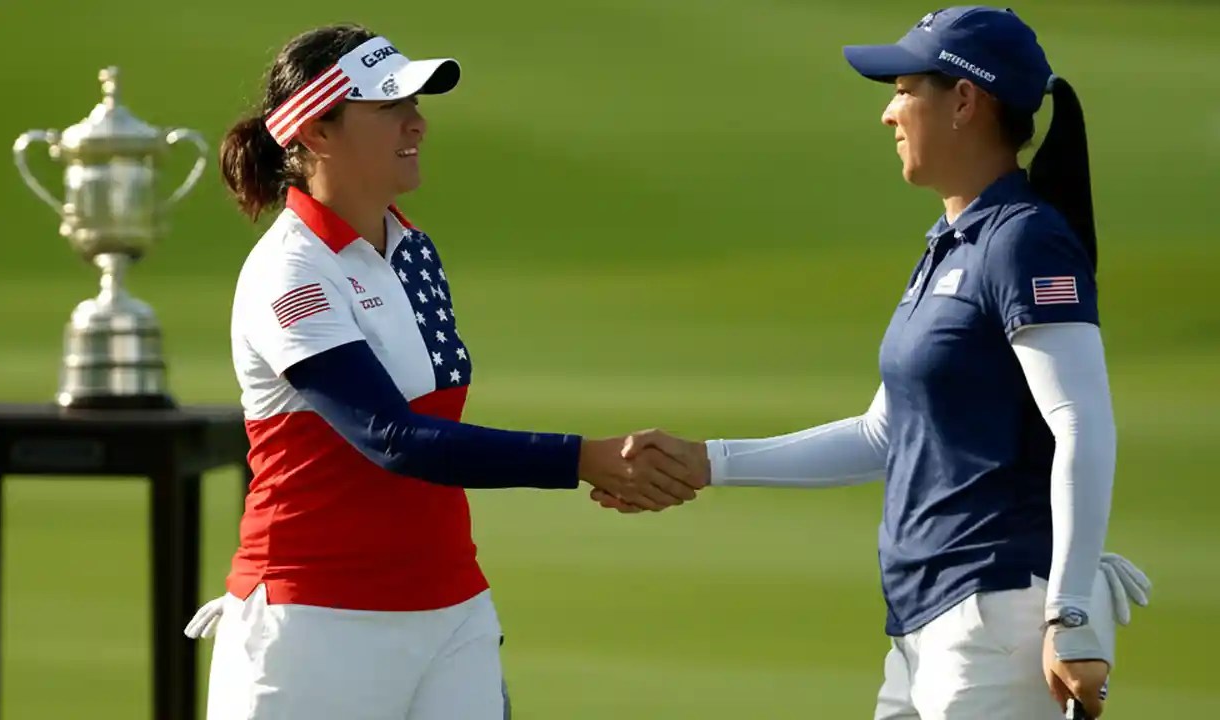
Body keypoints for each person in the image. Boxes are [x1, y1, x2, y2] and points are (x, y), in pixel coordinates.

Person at [593, 6, 1152, 719]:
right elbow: (885, 435)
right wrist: (710, 461)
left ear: (963, 101)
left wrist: (1069, 612)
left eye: (904, 89)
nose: (888, 114)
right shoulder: (952, 243)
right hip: (924, 629)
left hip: (997, 617)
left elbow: (1082, 423)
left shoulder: (1025, 241)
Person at [186, 23, 707, 720]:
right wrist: (582, 459)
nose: (417, 124)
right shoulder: (290, 272)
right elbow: (391, 436)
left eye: (417, 105)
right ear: (315, 133)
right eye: (389, 107)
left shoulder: (412, 250)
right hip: (314, 619)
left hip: (449, 609)